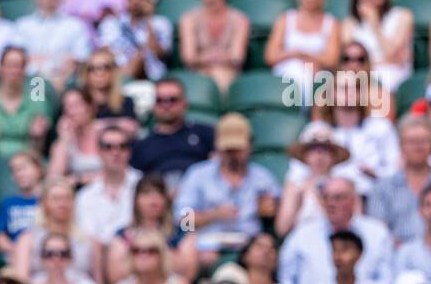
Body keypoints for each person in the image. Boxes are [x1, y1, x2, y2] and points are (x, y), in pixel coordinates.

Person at [175, 113, 279, 263]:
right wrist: (213, 215)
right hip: (207, 247)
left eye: (237, 149)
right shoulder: (198, 174)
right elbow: (183, 221)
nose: (233, 156)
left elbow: (280, 217)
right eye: (228, 150)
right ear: (217, 147)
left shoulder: (262, 177)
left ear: (249, 146)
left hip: (250, 248)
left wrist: (270, 211)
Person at [279, 175, 394, 284]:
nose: (331, 203)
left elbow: (385, 279)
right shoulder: (302, 233)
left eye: (338, 198)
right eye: (325, 198)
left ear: (353, 200)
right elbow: (287, 278)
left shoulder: (377, 233)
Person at [367, 115, 431, 245]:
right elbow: (378, 233)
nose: (418, 146)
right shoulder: (381, 188)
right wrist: (407, 253)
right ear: (400, 145)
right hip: (396, 259)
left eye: (423, 141)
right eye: (411, 141)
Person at [313, 52, 400, 194]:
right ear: (331, 94)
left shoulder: (381, 127)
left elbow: (395, 170)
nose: (351, 92)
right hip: (328, 198)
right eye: (344, 88)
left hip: (373, 194)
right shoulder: (317, 131)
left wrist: (376, 174)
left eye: (357, 88)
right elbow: (298, 174)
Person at [105, 172, 197, 284]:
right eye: (146, 193)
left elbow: (189, 273)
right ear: (136, 200)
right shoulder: (122, 235)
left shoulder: (182, 232)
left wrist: (147, 247)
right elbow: (114, 277)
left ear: (166, 200)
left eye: (159, 193)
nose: (153, 200)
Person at [265, 0, 341, 104]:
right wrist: (302, 55)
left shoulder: (332, 23)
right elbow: (270, 56)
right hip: (285, 76)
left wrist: (297, 53)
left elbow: (331, 60)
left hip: (316, 78)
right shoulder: (285, 19)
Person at [14, 0, 93, 93]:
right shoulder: (23, 26)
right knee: (37, 90)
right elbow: (19, 61)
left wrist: (60, 72)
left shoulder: (75, 25)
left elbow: (80, 59)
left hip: (65, 82)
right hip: (33, 82)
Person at [130, 76, 215, 186]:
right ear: (153, 105)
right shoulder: (142, 145)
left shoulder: (205, 134)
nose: (166, 105)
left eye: (172, 100)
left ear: (185, 103)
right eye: (159, 100)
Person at [178, 0, 249, 94]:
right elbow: (188, 57)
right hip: (197, 76)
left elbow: (237, 57)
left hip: (229, 77)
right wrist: (217, 58)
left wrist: (204, 58)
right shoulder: (189, 19)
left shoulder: (240, 19)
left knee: (221, 75)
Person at [0, 46, 52, 157]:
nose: (14, 71)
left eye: (19, 66)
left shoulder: (37, 99)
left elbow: (40, 149)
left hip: (27, 159)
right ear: (0, 68)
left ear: (25, 70)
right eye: (9, 66)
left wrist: (37, 137)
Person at [343, 0, 413, 97]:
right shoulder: (349, 24)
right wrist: (381, 62)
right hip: (360, 79)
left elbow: (393, 55)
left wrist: (374, 23)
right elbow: (350, 62)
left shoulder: (403, 16)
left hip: (393, 77)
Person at [275, 121, 349, 237]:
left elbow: (352, 225)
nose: (319, 155)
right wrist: (298, 201)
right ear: (305, 155)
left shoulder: (345, 186)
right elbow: (282, 229)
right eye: (313, 149)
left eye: (326, 149)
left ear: (334, 155)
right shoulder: (295, 186)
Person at [11, 177, 93, 279]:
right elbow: (21, 281)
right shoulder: (27, 240)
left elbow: (97, 281)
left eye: (67, 198)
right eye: (56, 199)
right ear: (44, 204)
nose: (62, 204)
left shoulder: (88, 239)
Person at [74, 126, 142, 247]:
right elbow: (87, 238)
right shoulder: (85, 195)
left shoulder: (143, 186)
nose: (115, 152)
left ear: (129, 151)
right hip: (97, 258)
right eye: (108, 147)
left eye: (122, 146)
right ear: (99, 151)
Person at [97, 0, 173, 83]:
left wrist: (149, 19)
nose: (136, 1)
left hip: (151, 77)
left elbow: (161, 54)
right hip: (117, 73)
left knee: (140, 57)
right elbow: (105, 51)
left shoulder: (161, 23)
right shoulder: (111, 23)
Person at [46, 88, 104, 188]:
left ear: (90, 107)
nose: (70, 111)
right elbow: (53, 179)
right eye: (66, 106)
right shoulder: (65, 139)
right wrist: (64, 139)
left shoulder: (104, 132)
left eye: (76, 105)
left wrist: (81, 179)